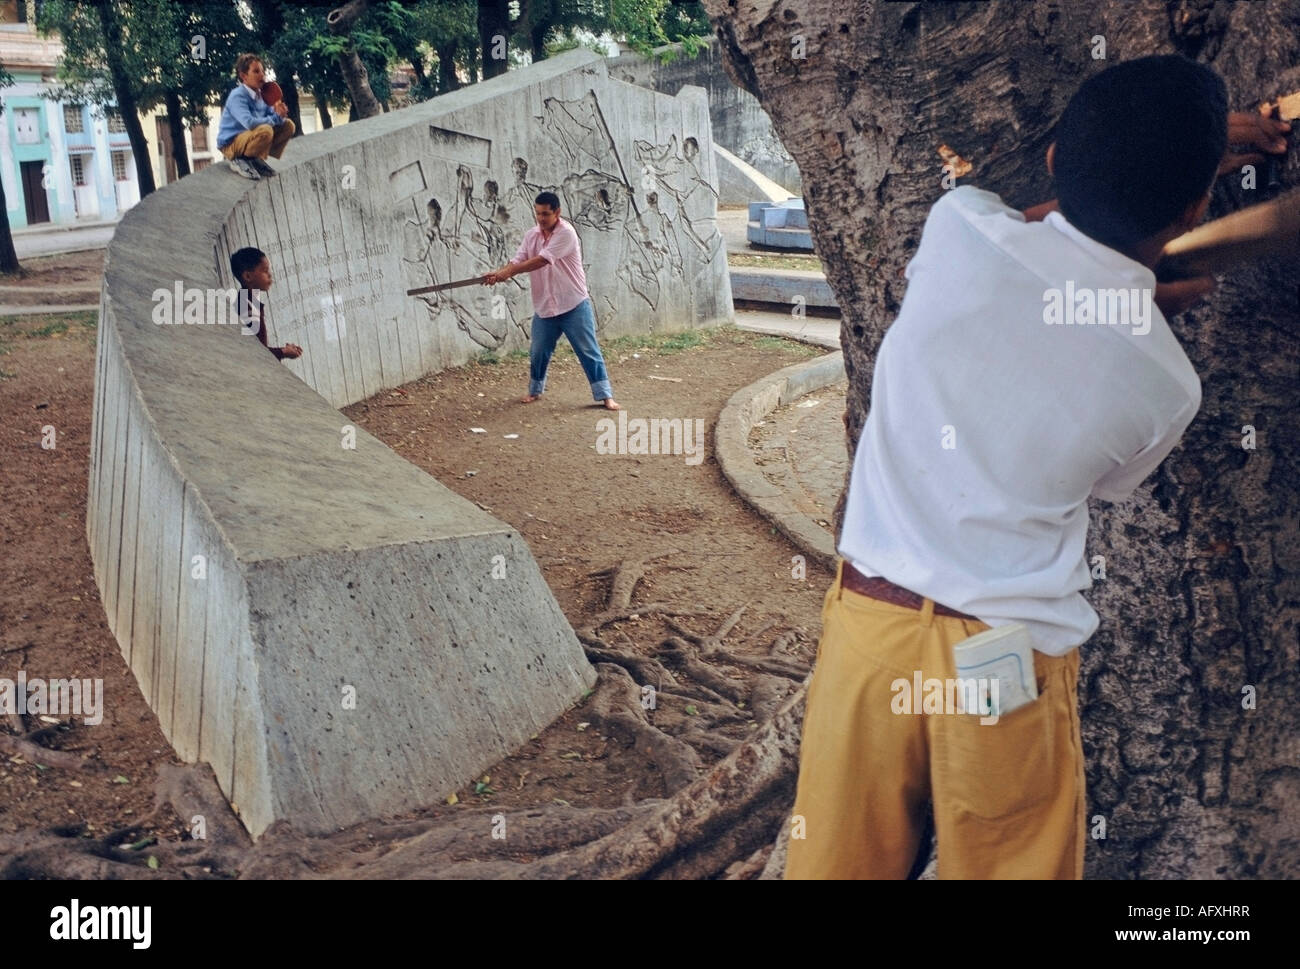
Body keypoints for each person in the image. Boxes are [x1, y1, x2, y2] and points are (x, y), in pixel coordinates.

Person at [784, 55, 1290, 880]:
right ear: (1200, 205)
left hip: (870, 635)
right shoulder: (1169, 385)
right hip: (1001, 659)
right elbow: (1099, 470)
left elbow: (1031, 237)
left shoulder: (959, 229)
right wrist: (1133, 299)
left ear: (1056, 158)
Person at [483, 191, 620, 410]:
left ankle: (605, 396)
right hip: (546, 306)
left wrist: (509, 272)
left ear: (558, 212)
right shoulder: (531, 235)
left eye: (546, 214)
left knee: (588, 350)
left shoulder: (567, 233)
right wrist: (499, 272)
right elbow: (519, 259)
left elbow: (542, 260)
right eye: (538, 213)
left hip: (573, 304)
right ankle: (535, 390)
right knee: (538, 350)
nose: (541, 218)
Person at [217, 54, 294, 181]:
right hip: (231, 143)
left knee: (288, 125)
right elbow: (250, 123)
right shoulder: (237, 96)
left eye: (262, 71)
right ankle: (238, 160)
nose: (262, 75)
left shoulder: (261, 94)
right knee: (266, 130)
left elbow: (272, 116)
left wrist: (280, 114)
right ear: (243, 76)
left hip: (249, 137)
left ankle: (254, 158)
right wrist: (275, 118)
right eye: (256, 71)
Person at [229, 247, 303, 361]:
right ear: (248, 276)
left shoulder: (247, 300)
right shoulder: (246, 309)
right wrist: (284, 352)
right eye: (265, 270)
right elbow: (256, 354)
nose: (270, 275)